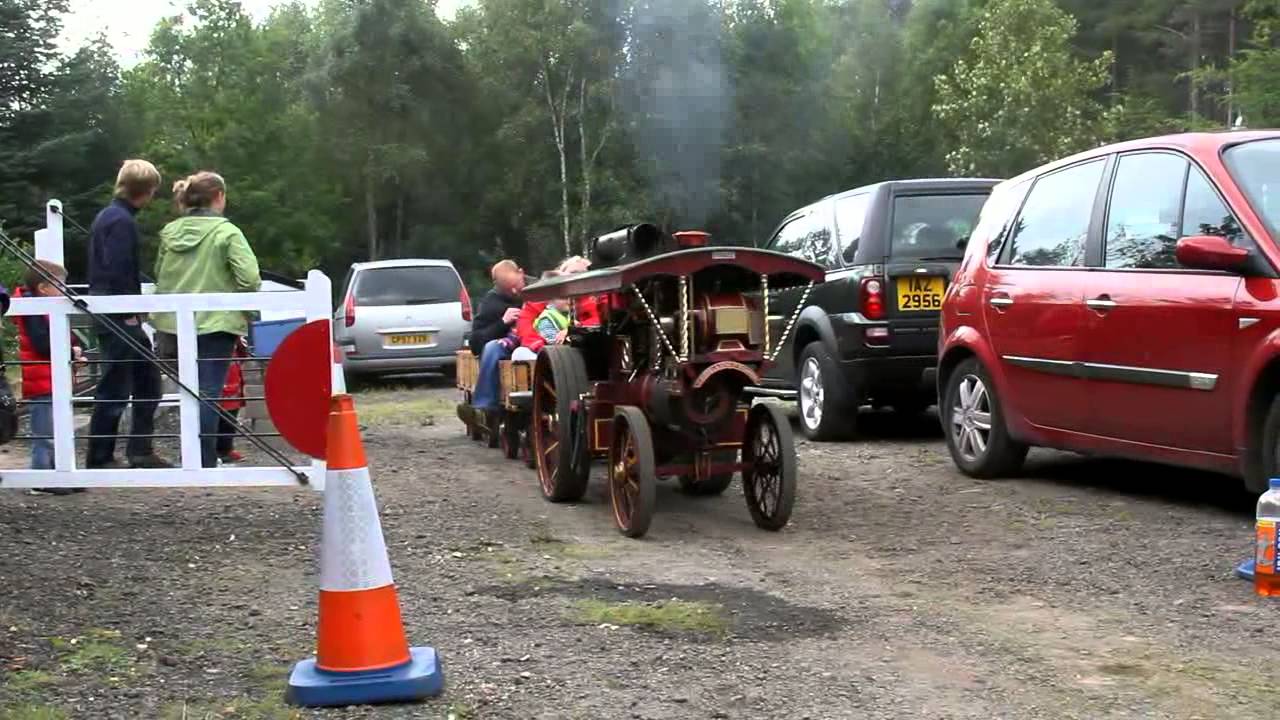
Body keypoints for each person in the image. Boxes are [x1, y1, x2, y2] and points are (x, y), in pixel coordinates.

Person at [151, 171, 262, 468]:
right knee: (208, 392)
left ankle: (191, 455)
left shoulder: (169, 233)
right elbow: (250, 278)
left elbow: (160, 273)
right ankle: (204, 458)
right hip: (215, 324)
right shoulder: (227, 233)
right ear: (219, 197)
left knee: (187, 389)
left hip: (171, 325)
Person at [86, 159, 169, 470]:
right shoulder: (121, 222)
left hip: (111, 309)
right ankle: (103, 456)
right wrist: (131, 312)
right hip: (118, 313)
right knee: (118, 385)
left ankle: (136, 450)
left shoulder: (108, 217)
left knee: (142, 380)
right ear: (146, 190)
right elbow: (119, 269)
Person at [13, 261, 84, 490]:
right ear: (44, 288)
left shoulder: (41, 308)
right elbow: (43, 344)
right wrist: (70, 350)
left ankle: (58, 474)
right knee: (45, 432)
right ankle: (42, 478)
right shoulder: (34, 311)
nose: (65, 288)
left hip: (49, 377)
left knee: (57, 429)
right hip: (42, 379)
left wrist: (73, 351)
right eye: (60, 284)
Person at [470, 260, 525, 416]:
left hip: (533, 341)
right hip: (507, 347)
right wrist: (502, 323)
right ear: (498, 285)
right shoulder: (490, 303)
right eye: (509, 290)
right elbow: (476, 343)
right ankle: (484, 404)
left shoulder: (539, 290)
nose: (515, 292)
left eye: (517, 286)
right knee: (492, 347)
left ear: (521, 272)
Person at [216, 337, 249, 464]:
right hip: (221, 381)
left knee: (230, 420)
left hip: (233, 382)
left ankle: (225, 449)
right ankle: (218, 451)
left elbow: (243, 353)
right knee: (220, 419)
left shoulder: (234, 335)